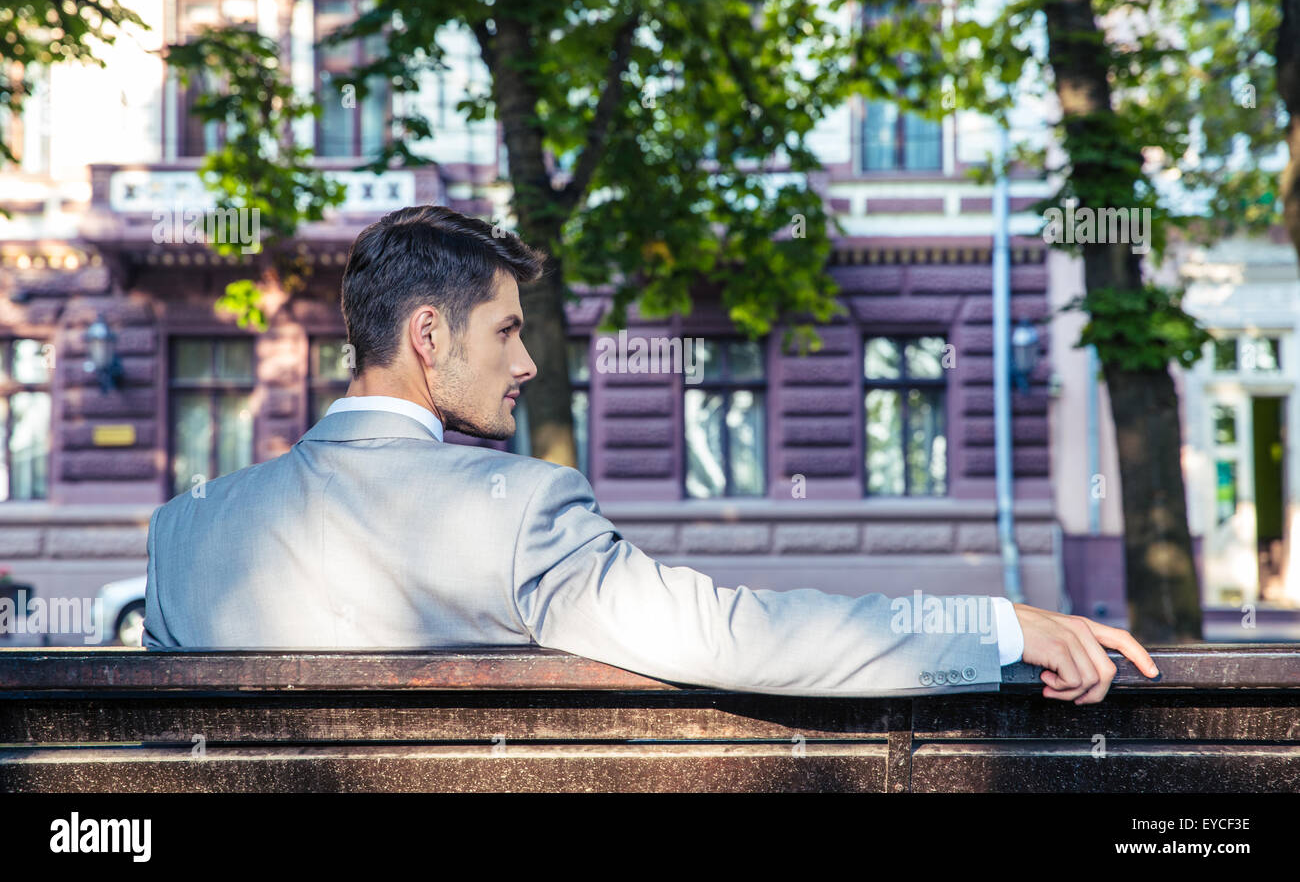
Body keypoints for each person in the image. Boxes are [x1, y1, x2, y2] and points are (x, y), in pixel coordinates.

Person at [144, 205, 1159, 702]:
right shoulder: (514, 510)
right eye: (505, 330)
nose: (530, 361)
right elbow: (738, 636)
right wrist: (992, 622)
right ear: (426, 335)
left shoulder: (184, 533)